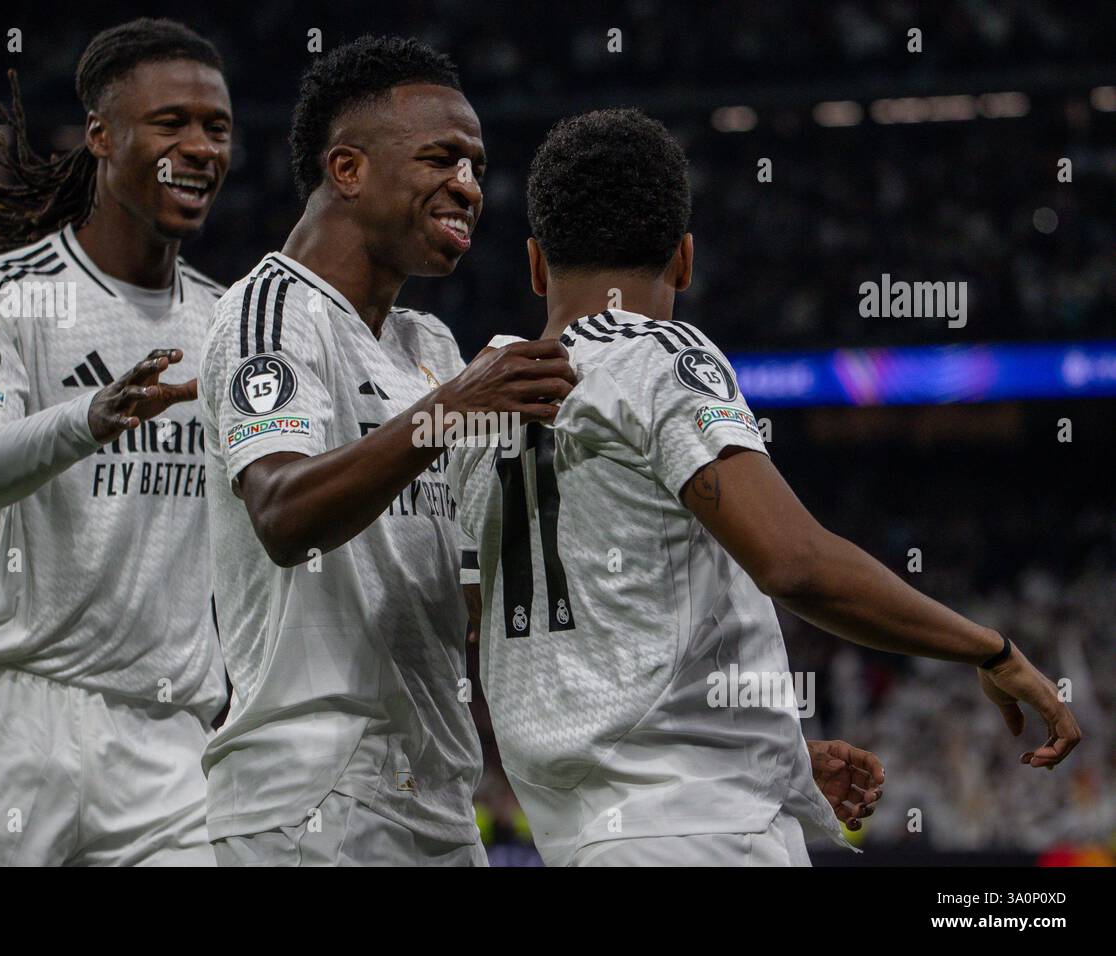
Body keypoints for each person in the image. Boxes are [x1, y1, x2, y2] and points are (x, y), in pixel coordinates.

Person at [448, 108, 1079, 866]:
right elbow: (793, 563)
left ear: (535, 264)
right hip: (703, 838)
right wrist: (989, 649)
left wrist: (764, 748)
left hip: (585, 840)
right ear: (683, 260)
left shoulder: (474, 405)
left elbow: (524, 628)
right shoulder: (659, 355)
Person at [200, 35, 576, 866]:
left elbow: (455, 587)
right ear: (347, 170)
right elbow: (282, 511)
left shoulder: (430, 345)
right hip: (312, 799)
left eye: (476, 167)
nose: (469, 188)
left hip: (436, 796)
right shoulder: (269, 311)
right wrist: (453, 410)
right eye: (442, 158)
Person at [0, 18, 232, 866]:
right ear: (101, 136)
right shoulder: (0, 292)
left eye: (216, 127)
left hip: (169, 744)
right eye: (172, 123)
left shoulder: (227, 323)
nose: (198, 146)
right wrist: (90, 417)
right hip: (6, 717)